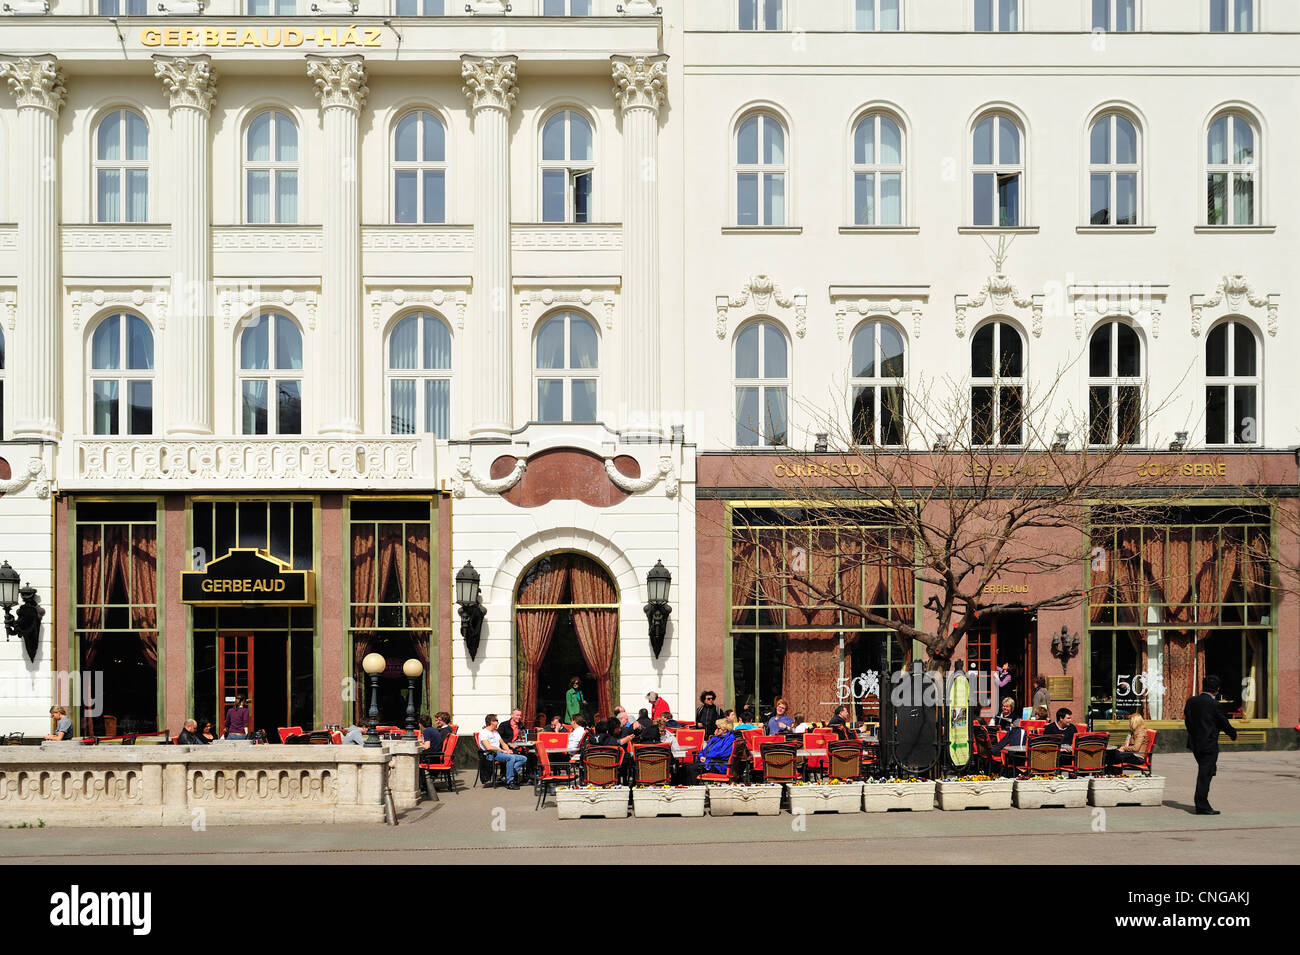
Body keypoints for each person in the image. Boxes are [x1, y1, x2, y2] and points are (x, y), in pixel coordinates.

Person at [1185, 675, 1237, 815]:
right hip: (1208, 744)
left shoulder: (1191, 701)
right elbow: (1222, 721)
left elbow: (1188, 721)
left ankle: (1202, 802)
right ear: (1217, 689)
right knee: (1205, 773)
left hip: (1195, 744)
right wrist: (1232, 733)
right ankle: (1202, 805)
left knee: (1206, 770)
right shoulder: (1214, 704)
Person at [480, 714, 528, 790]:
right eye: (496, 721)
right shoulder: (483, 733)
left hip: (499, 752)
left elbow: (502, 743)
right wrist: (503, 751)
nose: (498, 722)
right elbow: (488, 747)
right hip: (490, 754)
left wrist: (508, 750)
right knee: (510, 758)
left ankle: (509, 774)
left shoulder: (495, 732)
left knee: (523, 758)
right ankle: (510, 782)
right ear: (491, 722)